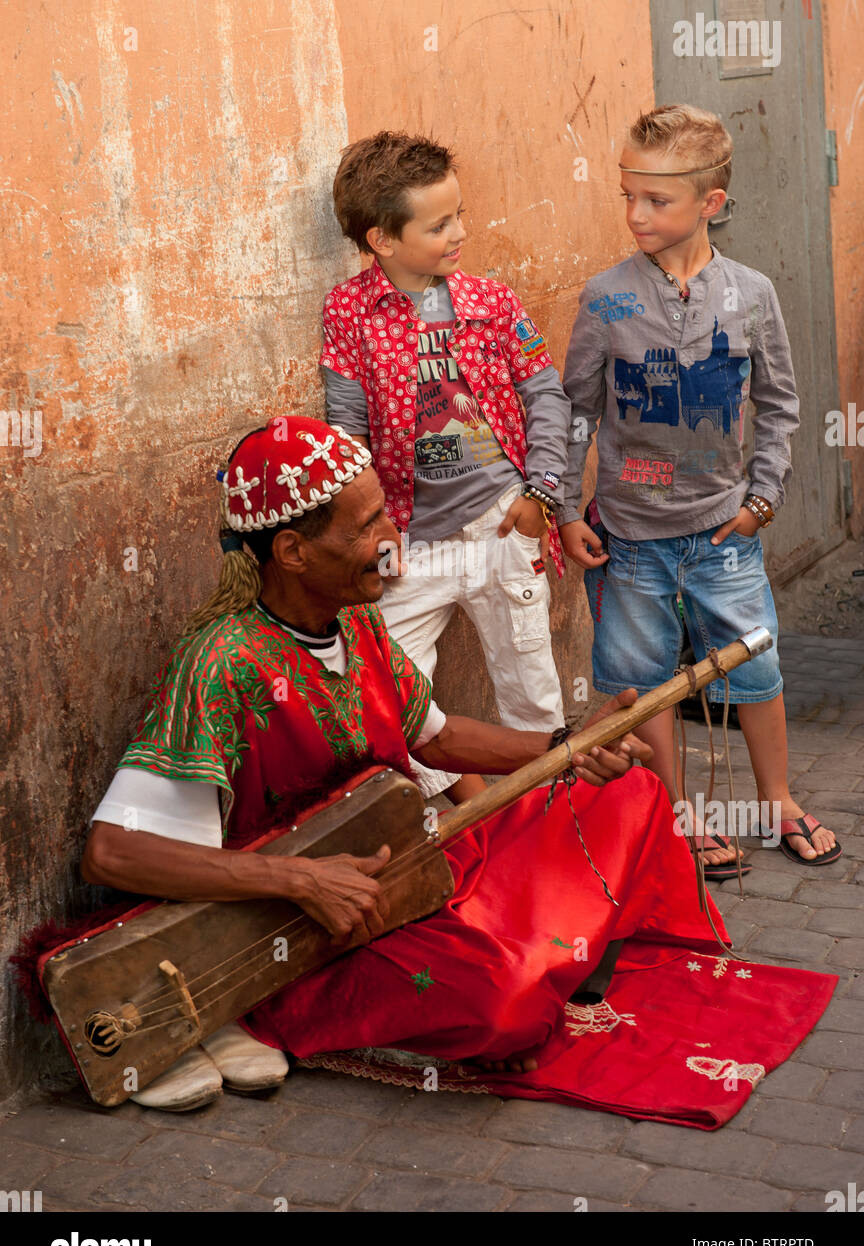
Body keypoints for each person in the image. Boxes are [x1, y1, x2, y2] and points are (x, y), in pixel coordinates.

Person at [81, 416, 727, 1114]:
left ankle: (534, 945)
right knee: (503, 1004)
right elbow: (112, 854)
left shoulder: (358, 624)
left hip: (421, 872)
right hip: (318, 933)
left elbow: (438, 739)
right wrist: (298, 878)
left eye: (385, 512)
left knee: (625, 791)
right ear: (293, 551)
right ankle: (511, 959)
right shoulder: (222, 663)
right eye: (365, 528)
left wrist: (565, 748)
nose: (390, 538)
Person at [559, 104, 841, 877]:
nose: (635, 214)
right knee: (642, 685)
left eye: (657, 200)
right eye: (627, 195)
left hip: (725, 537)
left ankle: (777, 801)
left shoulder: (750, 294)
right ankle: (675, 816)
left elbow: (780, 403)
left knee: (756, 669)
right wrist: (560, 511)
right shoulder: (605, 298)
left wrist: (763, 500)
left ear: (710, 203)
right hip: (628, 543)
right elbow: (574, 410)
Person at [321, 130, 571, 805]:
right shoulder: (349, 314)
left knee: (531, 690)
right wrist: (368, 531)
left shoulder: (491, 302)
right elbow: (347, 432)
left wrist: (538, 498)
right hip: (410, 538)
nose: (460, 232)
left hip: (502, 525)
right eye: (439, 224)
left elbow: (545, 394)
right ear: (382, 239)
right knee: (388, 690)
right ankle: (473, 809)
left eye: (459, 213)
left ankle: (552, 826)